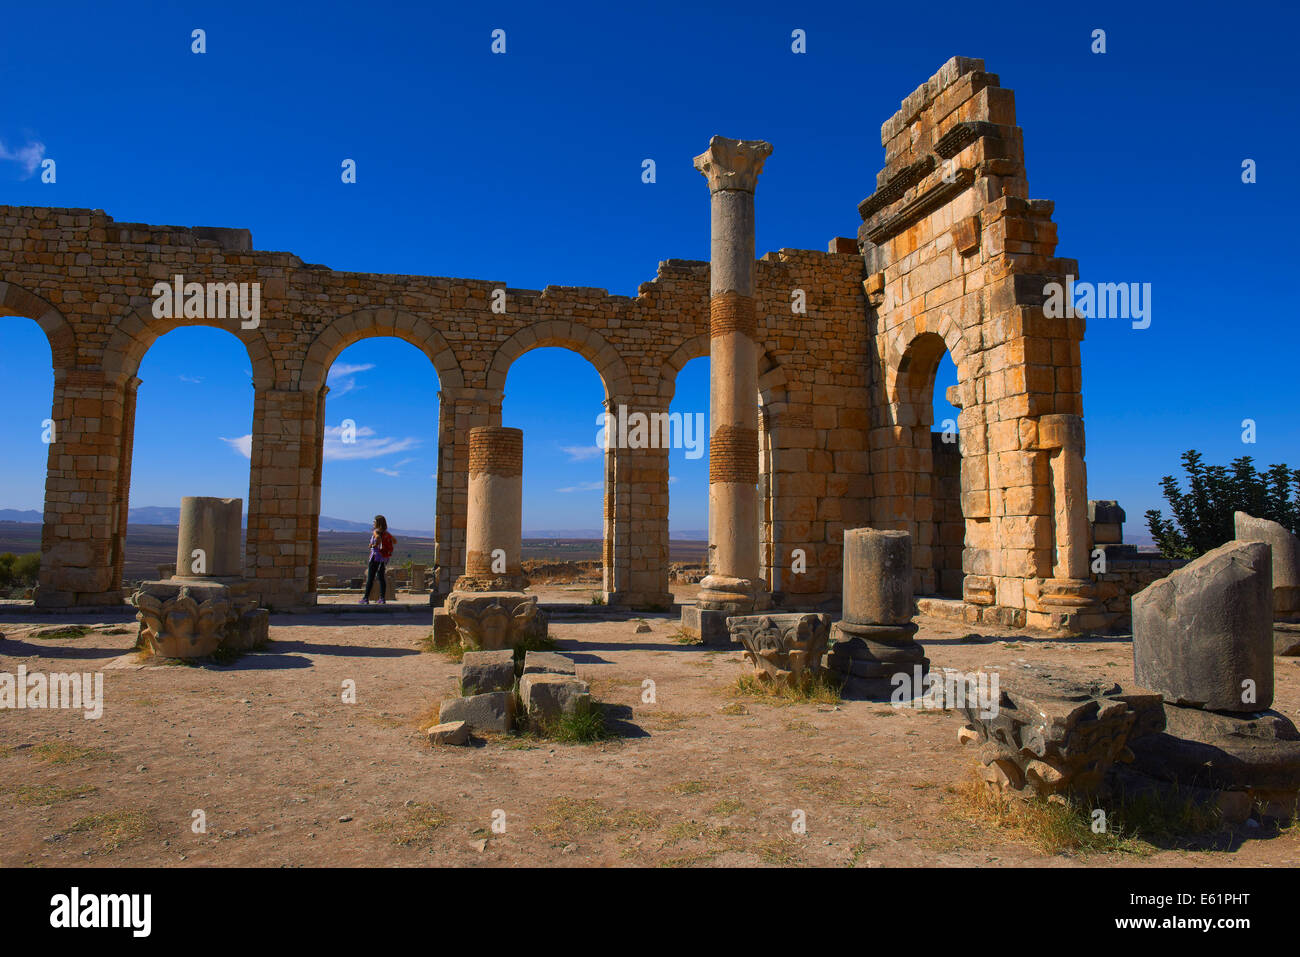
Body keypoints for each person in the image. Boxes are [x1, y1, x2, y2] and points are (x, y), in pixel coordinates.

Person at [361, 515, 396, 604]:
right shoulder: (387, 533)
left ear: (378, 523)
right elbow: (395, 541)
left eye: (374, 521)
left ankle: (365, 598)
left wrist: (373, 545)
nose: (373, 523)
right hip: (384, 558)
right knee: (381, 578)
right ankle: (382, 598)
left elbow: (377, 538)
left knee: (370, 578)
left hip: (375, 557)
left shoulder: (376, 532)